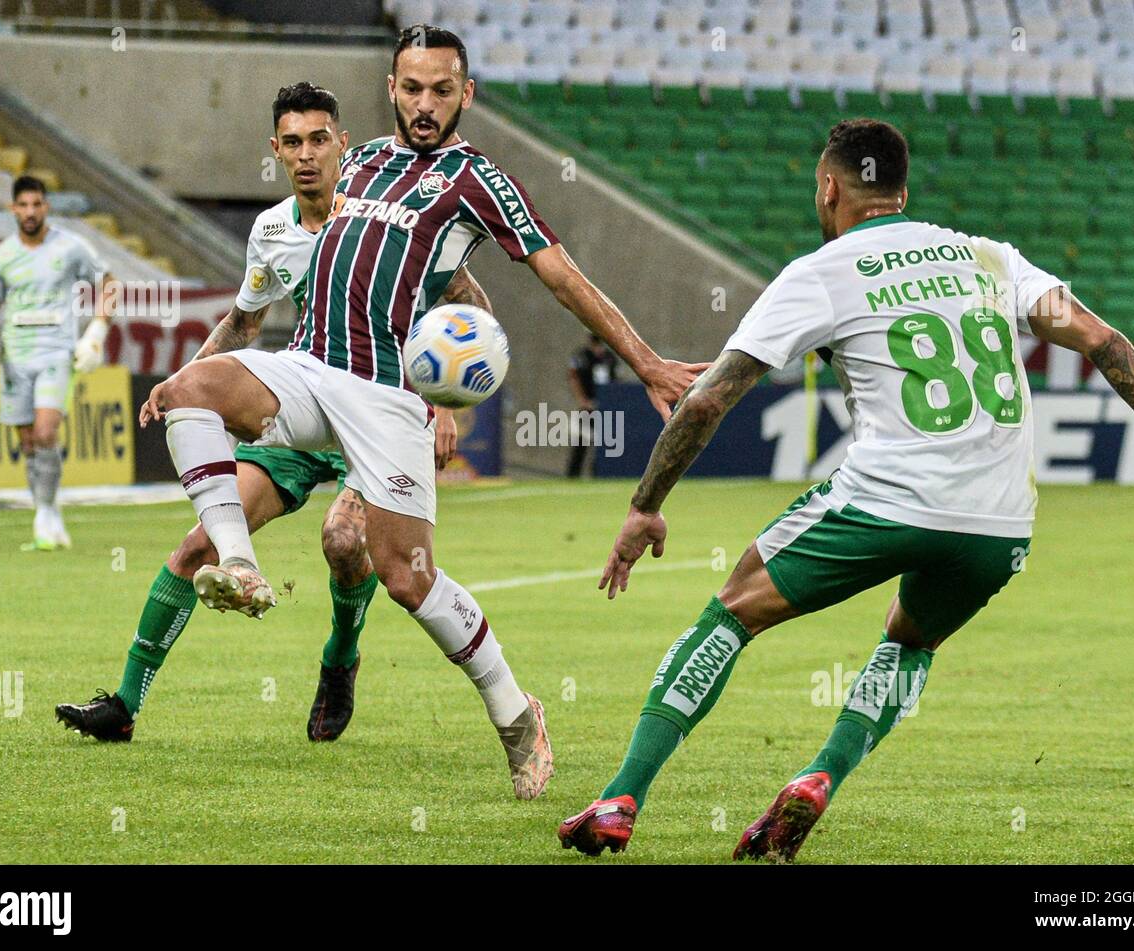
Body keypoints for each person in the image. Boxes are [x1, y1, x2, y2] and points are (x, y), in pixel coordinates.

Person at [559, 118, 1134, 859]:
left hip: (886, 499)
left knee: (732, 613)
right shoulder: (988, 258)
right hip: (999, 522)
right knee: (911, 641)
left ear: (830, 186)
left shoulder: (824, 270)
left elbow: (710, 398)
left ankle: (622, 794)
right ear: (902, 190)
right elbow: (1105, 341)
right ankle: (820, 775)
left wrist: (646, 504)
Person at [139, 25, 707, 801]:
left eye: (443, 90)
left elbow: (557, 272)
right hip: (307, 367)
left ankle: (517, 713)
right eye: (412, 88)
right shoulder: (362, 159)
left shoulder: (479, 181)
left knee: (408, 579)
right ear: (391, 89)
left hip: (384, 397)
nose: (425, 104)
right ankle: (238, 563)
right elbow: (318, 232)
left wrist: (643, 360)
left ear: (466, 94)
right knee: (187, 390)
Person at [55, 82, 484, 746]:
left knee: (345, 542)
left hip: (384, 412)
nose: (307, 155)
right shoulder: (275, 231)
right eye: (292, 143)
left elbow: (464, 302)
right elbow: (244, 323)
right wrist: (184, 379)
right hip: (304, 396)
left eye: (320, 139)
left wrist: (444, 396)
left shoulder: (390, 217)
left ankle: (341, 653)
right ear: (275, 151)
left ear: (343, 143)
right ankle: (125, 703)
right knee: (202, 544)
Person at [0, 175, 117, 550]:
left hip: (56, 351)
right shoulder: (0, 256)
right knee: (26, 439)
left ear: (46, 206)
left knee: (45, 430)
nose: (30, 212)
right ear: (13, 209)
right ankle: (45, 511)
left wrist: (95, 334)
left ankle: (47, 514)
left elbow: (110, 285)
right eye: (23, 205)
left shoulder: (71, 248)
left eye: (37, 204)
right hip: (15, 356)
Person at [566, 333, 618, 477]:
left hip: (604, 407)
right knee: (582, 441)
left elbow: (615, 381)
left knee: (605, 443)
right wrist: (582, 399)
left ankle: (599, 473)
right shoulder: (582, 356)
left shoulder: (609, 357)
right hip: (588, 407)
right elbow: (573, 376)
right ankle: (573, 475)